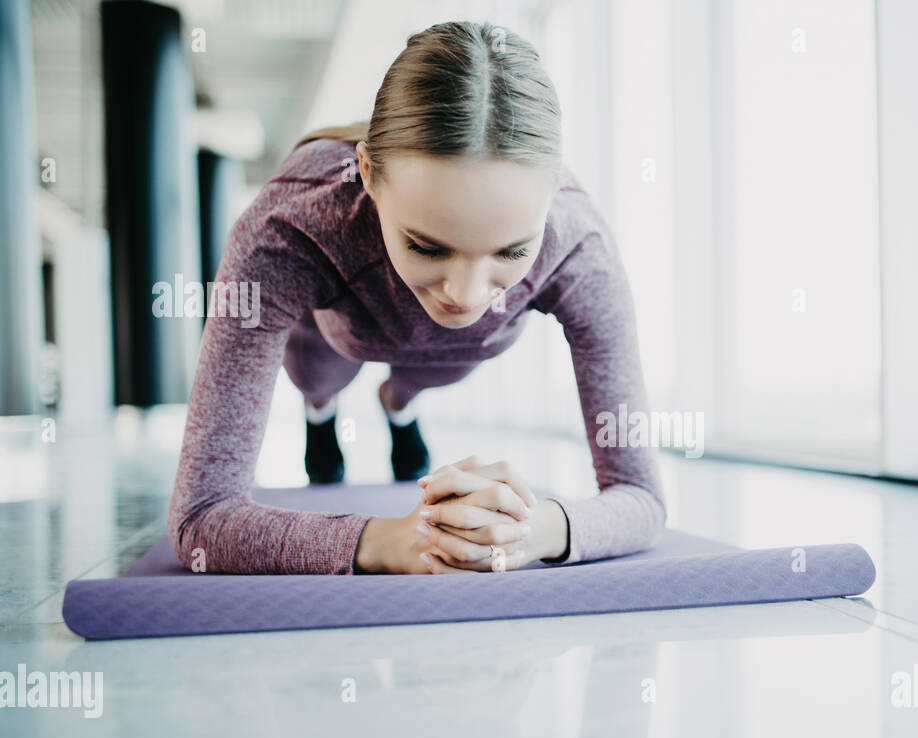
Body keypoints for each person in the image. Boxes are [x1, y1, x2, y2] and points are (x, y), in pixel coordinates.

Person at [166, 20, 666, 576]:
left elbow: (642, 496)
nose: (465, 294)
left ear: (552, 195)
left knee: (428, 371)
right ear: (368, 174)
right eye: (427, 245)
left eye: (509, 251)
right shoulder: (288, 227)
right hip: (340, 327)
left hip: (458, 355)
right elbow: (200, 518)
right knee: (320, 378)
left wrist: (532, 529)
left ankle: (397, 405)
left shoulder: (579, 243)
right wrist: (387, 542)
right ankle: (320, 412)